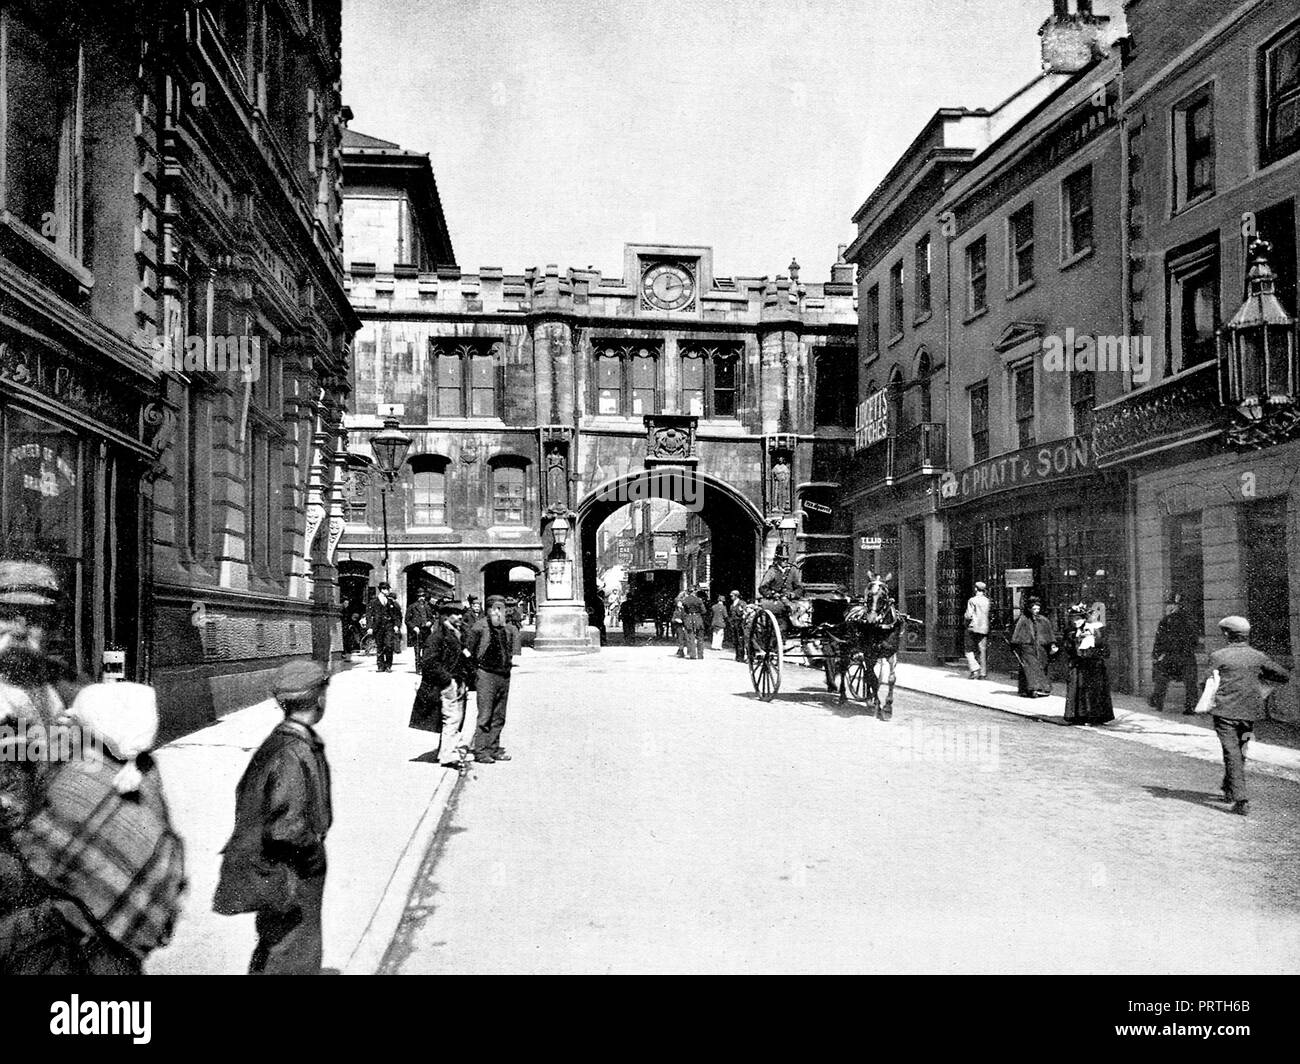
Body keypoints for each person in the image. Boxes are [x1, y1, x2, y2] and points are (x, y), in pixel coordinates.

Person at [13, 682, 186, 975]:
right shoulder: (143, 769)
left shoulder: (74, 774)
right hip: (126, 927)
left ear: (92, 728)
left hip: (71, 929)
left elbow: (39, 844)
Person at [0, 560, 92, 974]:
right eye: (5, 614)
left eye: (33, 618)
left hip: (50, 885)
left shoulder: (60, 690)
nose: (19, 629)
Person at [214, 660, 333, 974]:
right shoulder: (293, 752)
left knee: (277, 946)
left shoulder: (283, 743)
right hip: (290, 869)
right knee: (294, 950)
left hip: (276, 866)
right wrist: (313, 856)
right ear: (318, 698)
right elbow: (286, 828)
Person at [1193, 616, 1291, 816]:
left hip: (1224, 713)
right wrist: (1260, 681)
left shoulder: (1219, 656)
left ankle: (1241, 798)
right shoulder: (1257, 656)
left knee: (1231, 752)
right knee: (1239, 750)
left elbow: (1204, 682)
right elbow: (1283, 675)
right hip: (1249, 713)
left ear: (1227, 634)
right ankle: (1229, 789)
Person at [411, 601, 475, 769]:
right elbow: (429, 662)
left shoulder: (457, 633)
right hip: (447, 684)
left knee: (456, 718)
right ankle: (448, 756)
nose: (460, 616)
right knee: (451, 718)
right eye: (456, 614)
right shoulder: (438, 636)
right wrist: (447, 680)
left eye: (461, 613)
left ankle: (446, 750)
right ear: (446, 616)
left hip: (459, 681)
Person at [467, 596, 521, 764]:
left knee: (499, 716)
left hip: (503, 675)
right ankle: (481, 751)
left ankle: (494, 749)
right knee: (485, 715)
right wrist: (474, 673)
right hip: (486, 674)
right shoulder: (479, 627)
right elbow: (467, 652)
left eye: (502, 609)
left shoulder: (508, 628)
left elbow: (511, 650)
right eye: (496, 609)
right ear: (489, 610)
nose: (499, 612)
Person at [1061, 602, 1114, 725]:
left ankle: (1094, 716)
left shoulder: (1094, 629)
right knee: (1077, 690)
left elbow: (1104, 647)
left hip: (1093, 664)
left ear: (1084, 619)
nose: (1075, 622)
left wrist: (1093, 641)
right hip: (1077, 665)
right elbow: (1067, 647)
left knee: (1093, 691)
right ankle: (1078, 716)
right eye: (1073, 619)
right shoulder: (1070, 631)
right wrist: (1076, 638)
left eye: (1078, 619)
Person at [1151, 592, 1199, 714]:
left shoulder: (1166, 620)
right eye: (1169, 604)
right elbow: (1195, 640)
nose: (1169, 606)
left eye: (1172, 604)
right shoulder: (1190, 620)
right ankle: (1191, 707)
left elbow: (1159, 640)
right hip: (1186, 656)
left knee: (1161, 680)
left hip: (1170, 656)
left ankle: (1158, 704)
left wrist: (1156, 655)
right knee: (1190, 683)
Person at [1009, 596, 1057, 697]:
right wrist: (1015, 643)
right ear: (1029, 609)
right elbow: (1016, 634)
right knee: (1030, 667)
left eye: (1038, 609)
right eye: (1034, 609)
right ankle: (1034, 688)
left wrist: (1052, 644)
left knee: (1041, 666)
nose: (1036, 611)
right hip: (1027, 647)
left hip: (1041, 648)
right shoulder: (1022, 620)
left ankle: (1039, 688)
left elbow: (1049, 634)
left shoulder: (1043, 620)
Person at [758, 544, 803, 631]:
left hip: (791, 601)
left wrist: (793, 594)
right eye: (782, 559)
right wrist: (773, 594)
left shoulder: (792, 571)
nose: (784, 561)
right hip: (776, 602)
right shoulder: (772, 571)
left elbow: (799, 588)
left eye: (786, 559)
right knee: (781, 623)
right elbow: (762, 588)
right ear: (777, 559)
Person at [365, 583, 402, 673]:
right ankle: (381, 666)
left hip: (389, 626)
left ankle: (388, 665)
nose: (388, 591)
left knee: (389, 645)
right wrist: (369, 627)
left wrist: (397, 625)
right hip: (378, 627)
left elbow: (396, 616)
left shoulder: (390, 602)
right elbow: (369, 616)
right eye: (387, 589)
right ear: (382, 590)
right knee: (380, 646)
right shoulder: (374, 602)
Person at [963, 581, 991, 679]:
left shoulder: (972, 600)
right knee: (982, 650)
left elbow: (968, 615)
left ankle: (975, 670)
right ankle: (983, 674)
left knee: (968, 650)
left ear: (975, 589)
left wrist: (965, 622)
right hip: (984, 628)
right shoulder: (987, 601)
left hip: (972, 628)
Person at [405, 590, 433, 670]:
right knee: (417, 650)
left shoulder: (427, 607)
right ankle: (418, 668)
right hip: (417, 631)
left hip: (426, 631)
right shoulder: (412, 607)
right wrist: (414, 627)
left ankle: (424, 667)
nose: (421, 598)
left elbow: (431, 618)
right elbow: (407, 620)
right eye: (420, 596)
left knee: (426, 650)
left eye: (423, 596)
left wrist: (430, 622)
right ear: (417, 597)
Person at [680, 586, 706, 660]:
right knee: (700, 637)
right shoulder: (699, 600)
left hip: (689, 618)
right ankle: (700, 655)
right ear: (695, 591)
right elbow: (704, 611)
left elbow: (683, 612)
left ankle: (693, 655)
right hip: (698, 618)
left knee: (691, 637)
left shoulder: (685, 600)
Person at [730, 592, 749, 661]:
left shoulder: (742, 603)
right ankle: (737, 656)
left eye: (732, 596)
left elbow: (745, 613)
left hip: (740, 624)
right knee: (736, 640)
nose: (731, 597)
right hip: (734, 624)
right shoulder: (732, 605)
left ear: (736, 596)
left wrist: (741, 611)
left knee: (740, 640)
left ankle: (741, 657)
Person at [671, 592, 687, 657]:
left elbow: (686, 618)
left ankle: (681, 651)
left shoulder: (684, 610)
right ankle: (681, 650)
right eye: (678, 603)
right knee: (680, 638)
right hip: (678, 626)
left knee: (683, 639)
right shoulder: (676, 611)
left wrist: (682, 621)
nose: (679, 604)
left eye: (680, 603)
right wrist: (676, 620)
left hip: (684, 626)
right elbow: (672, 619)